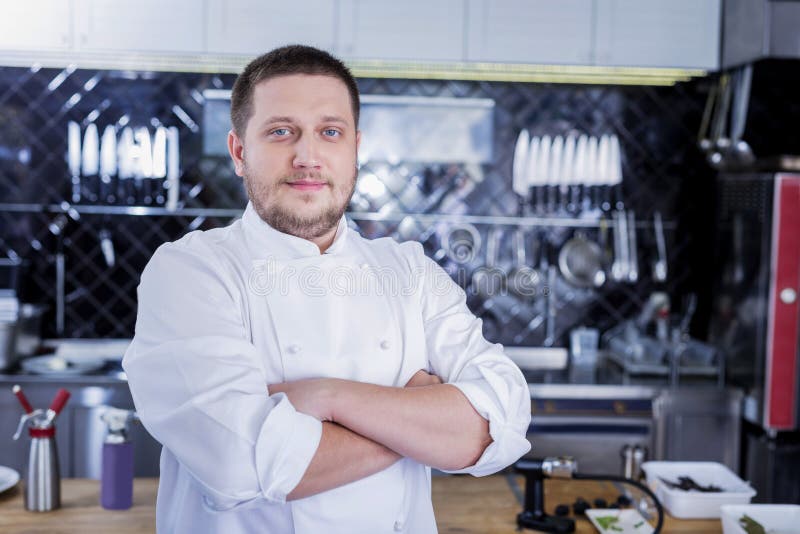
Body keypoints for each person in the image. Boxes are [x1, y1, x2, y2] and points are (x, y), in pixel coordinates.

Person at [123, 44, 531, 534]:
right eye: (280, 132)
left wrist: (326, 397)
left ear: (354, 149)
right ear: (239, 152)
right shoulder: (191, 271)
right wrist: (421, 425)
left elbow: (500, 424)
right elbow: (241, 461)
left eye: (329, 132)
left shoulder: (410, 272)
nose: (307, 156)